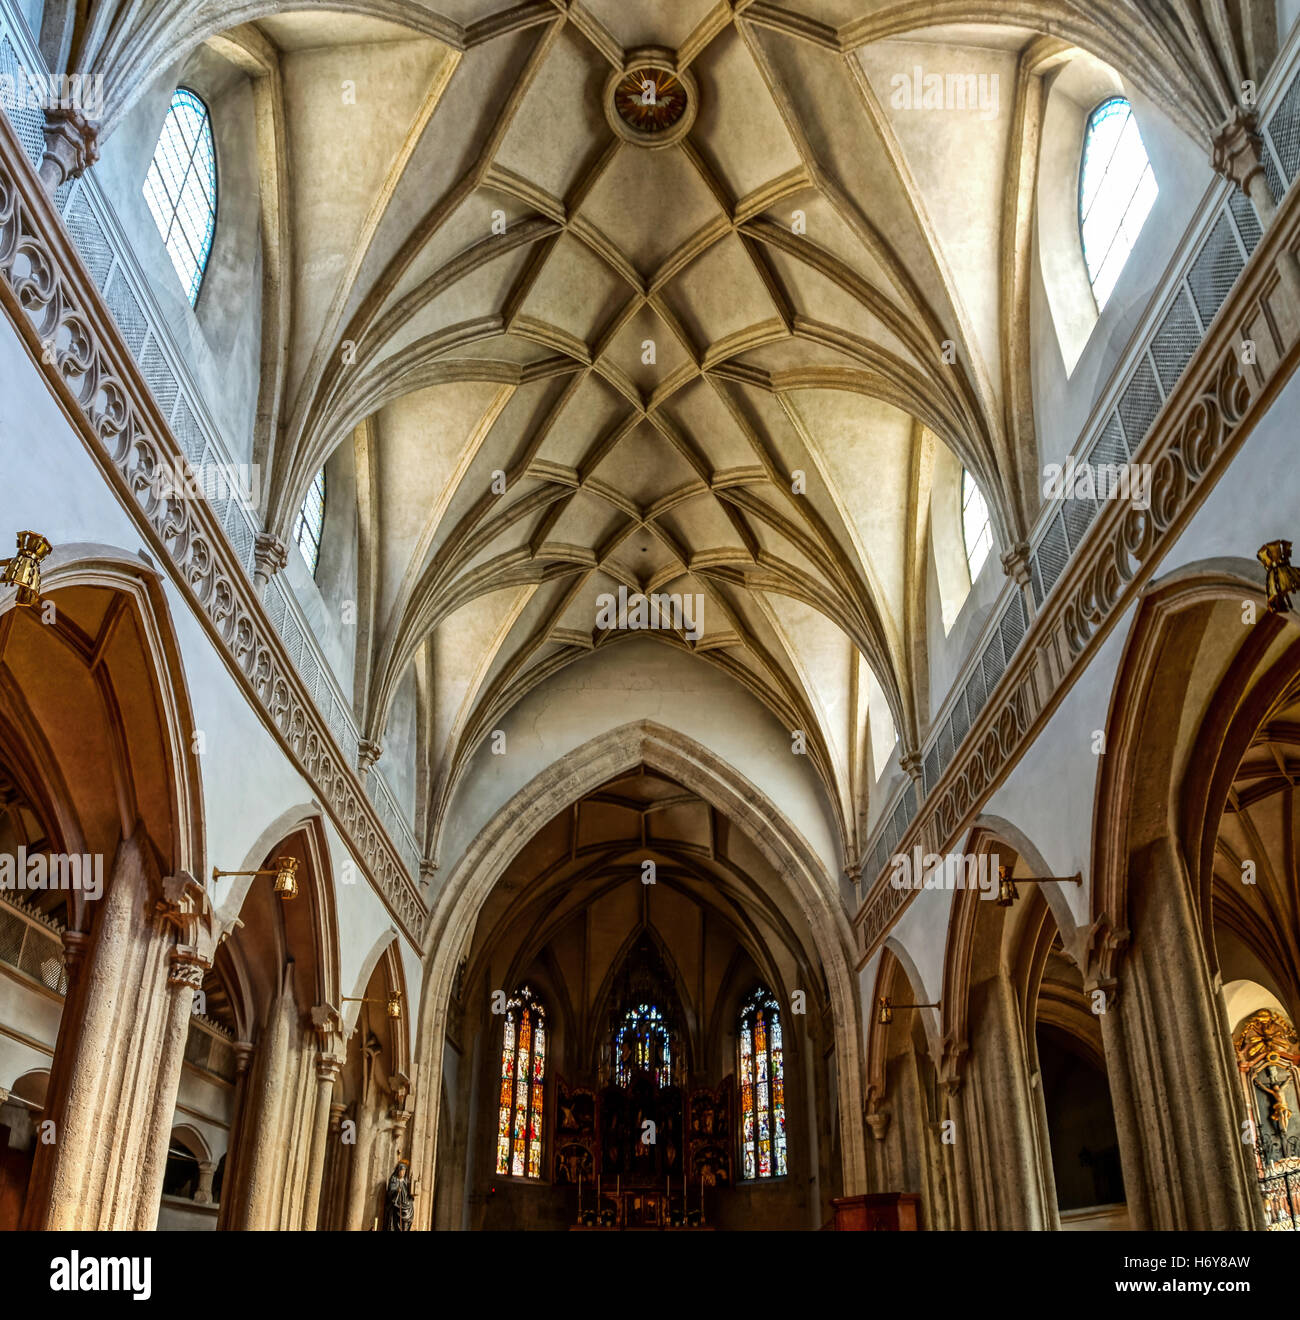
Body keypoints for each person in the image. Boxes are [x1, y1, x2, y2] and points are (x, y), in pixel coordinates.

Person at [385, 1158, 415, 1231]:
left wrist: (412, 1195)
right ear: (398, 1171)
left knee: (410, 1209)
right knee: (396, 1220)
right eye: (402, 1171)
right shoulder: (394, 1179)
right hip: (397, 1204)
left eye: (404, 1171)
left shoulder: (405, 1180)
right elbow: (390, 1192)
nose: (403, 1173)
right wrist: (396, 1191)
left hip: (405, 1203)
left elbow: (408, 1192)